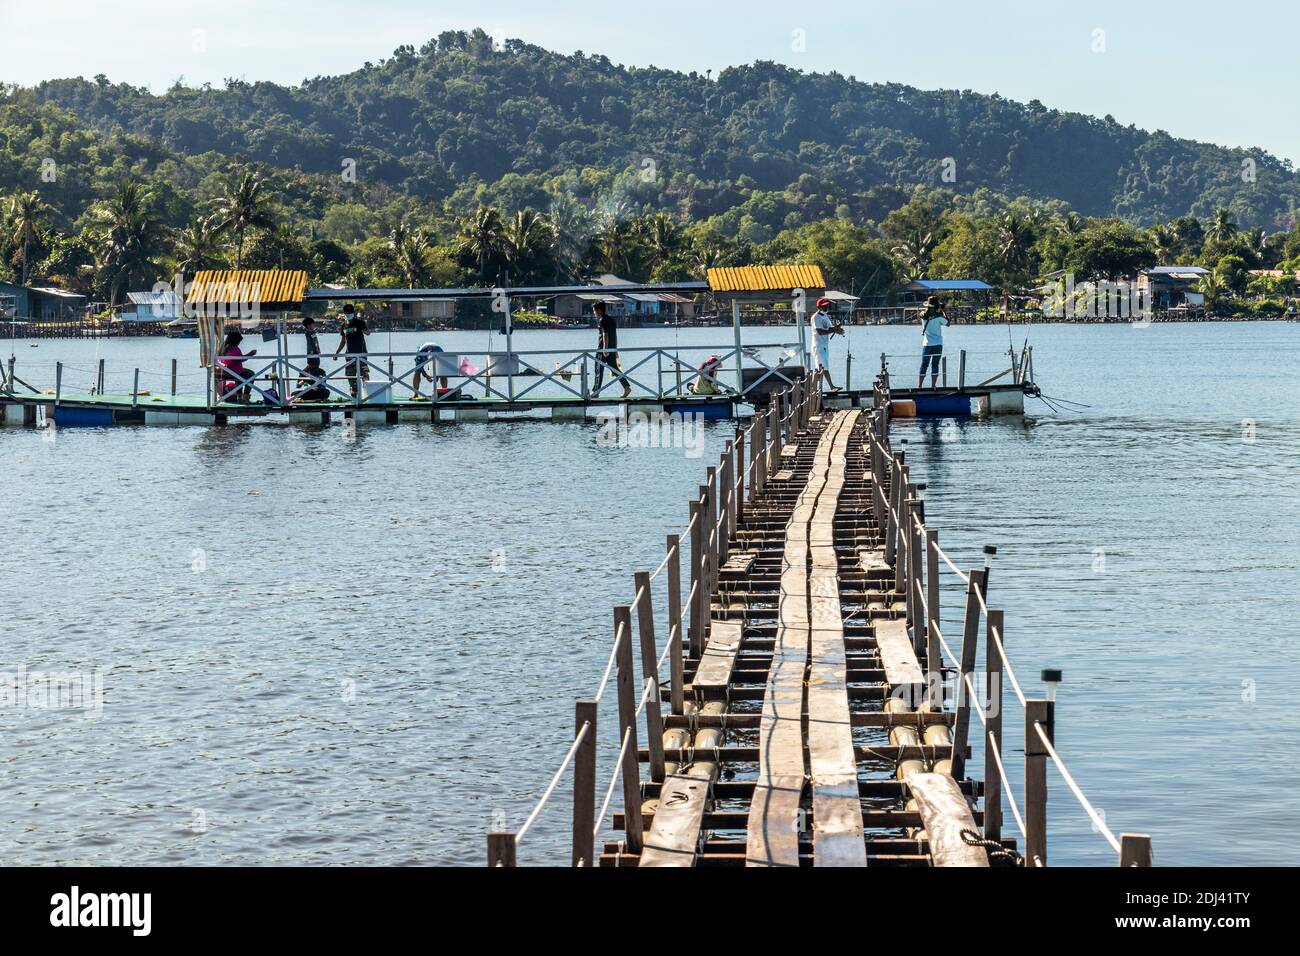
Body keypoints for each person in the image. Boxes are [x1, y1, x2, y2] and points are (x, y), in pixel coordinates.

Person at [592, 301, 631, 398]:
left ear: (599, 310)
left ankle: (596, 392)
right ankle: (626, 387)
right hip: (612, 348)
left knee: (598, 369)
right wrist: (615, 349)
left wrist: (605, 349)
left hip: (603, 350)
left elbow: (605, 334)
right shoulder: (611, 319)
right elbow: (615, 335)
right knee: (615, 369)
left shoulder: (603, 320)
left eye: (594, 310)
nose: (594, 312)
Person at [333, 307, 369, 399]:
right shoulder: (344, 325)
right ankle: (354, 396)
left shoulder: (359, 322)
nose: (348, 314)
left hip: (361, 354)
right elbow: (343, 341)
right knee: (350, 376)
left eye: (350, 313)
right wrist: (337, 352)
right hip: (349, 355)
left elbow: (368, 333)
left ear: (353, 313)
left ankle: (368, 395)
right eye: (346, 313)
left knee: (365, 376)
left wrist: (363, 329)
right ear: (344, 313)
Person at [812, 296, 844, 389]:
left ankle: (814, 387)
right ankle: (831, 386)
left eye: (827, 306)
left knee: (822, 368)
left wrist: (837, 330)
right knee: (822, 368)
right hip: (818, 346)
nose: (826, 308)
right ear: (819, 307)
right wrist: (834, 329)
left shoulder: (825, 316)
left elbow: (829, 328)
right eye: (824, 306)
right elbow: (820, 331)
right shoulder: (816, 317)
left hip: (824, 346)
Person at [917, 295, 948, 389]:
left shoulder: (923, 316)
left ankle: (920, 386)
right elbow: (948, 323)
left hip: (927, 344)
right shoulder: (939, 317)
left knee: (924, 365)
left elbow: (923, 314)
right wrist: (943, 311)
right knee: (935, 365)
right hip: (938, 344)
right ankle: (933, 385)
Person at [217, 329, 256, 402]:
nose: (239, 343)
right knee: (251, 374)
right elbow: (241, 359)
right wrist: (251, 354)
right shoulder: (234, 348)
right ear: (235, 340)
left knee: (241, 376)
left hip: (226, 372)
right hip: (233, 372)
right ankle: (245, 396)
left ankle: (239, 396)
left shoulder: (223, 348)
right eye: (239, 342)